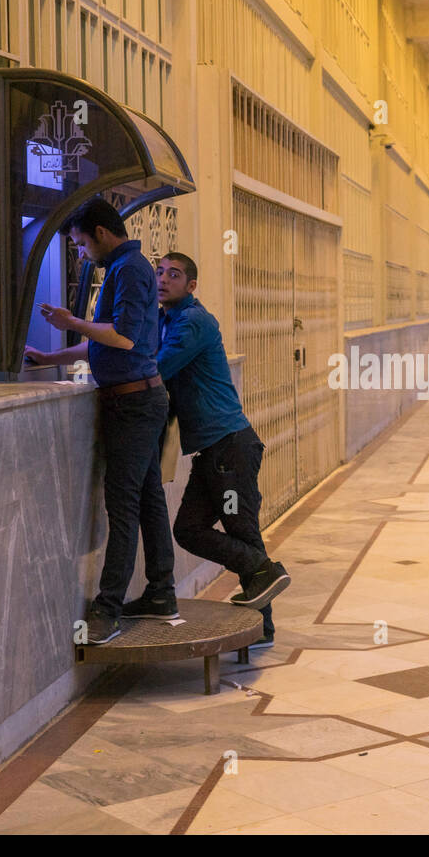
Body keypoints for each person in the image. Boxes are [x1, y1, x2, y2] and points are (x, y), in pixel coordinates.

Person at [23, 197, 175, 645]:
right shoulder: (125, 268)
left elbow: (121, 337)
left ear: (102, 234)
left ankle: (107, 610)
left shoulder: (127, 269)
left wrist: (74, 321)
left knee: (124, 505)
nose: (82, 253)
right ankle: (162, 593)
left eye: (82, 243)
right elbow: (104, 342)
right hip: (140, 398)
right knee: (147, 499)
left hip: (133, 403)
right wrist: (50, 355)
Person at [149, 252, 289, 649]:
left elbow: (157, 367)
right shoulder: (168, 318)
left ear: (191, 286)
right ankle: (262, 576)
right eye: (159, 273)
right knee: (189, 529)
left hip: (229, 449)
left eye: (173, 275)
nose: (163, 280)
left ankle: (263, 615)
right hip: (212, 453)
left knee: (240, 528)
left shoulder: (193, 322)